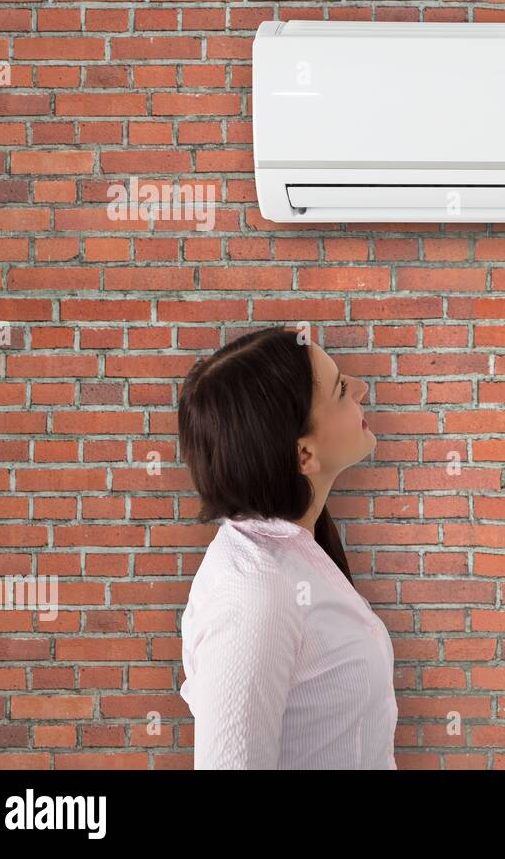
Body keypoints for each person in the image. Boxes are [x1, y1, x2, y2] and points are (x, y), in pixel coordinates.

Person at [176, 326, 396, 768]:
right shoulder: (255, 595)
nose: (361, 388)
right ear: (303, 456)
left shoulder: (294, 550)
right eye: (339, 390)